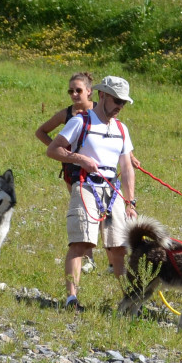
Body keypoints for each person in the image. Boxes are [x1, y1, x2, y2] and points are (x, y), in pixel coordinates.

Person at [46, 75, 138, 309]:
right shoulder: (80, 121)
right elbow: (53, 149)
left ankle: (128, 300)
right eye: (116, 100)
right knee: (80, 242)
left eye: (123, 103)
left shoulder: (121, 129)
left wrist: (131, 202)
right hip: (85, 185)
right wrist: (80, 159)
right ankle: (71, 299)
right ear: (102, 95)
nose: (119, 106)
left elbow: (126, 168)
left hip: (112, 189)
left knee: (118, 247)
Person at [37, 72, 98, 274]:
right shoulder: (67, 114)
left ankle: (113, 259)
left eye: (78, 90)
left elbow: (117, 135)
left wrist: (129, 157)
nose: (74, 94)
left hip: (99, 170)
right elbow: (41, 131)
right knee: (83, 213)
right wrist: (65, 153)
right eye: (70, 91)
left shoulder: (101, 111)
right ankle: (88, 258)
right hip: (73, 171)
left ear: (89, 91)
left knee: (104, 214)